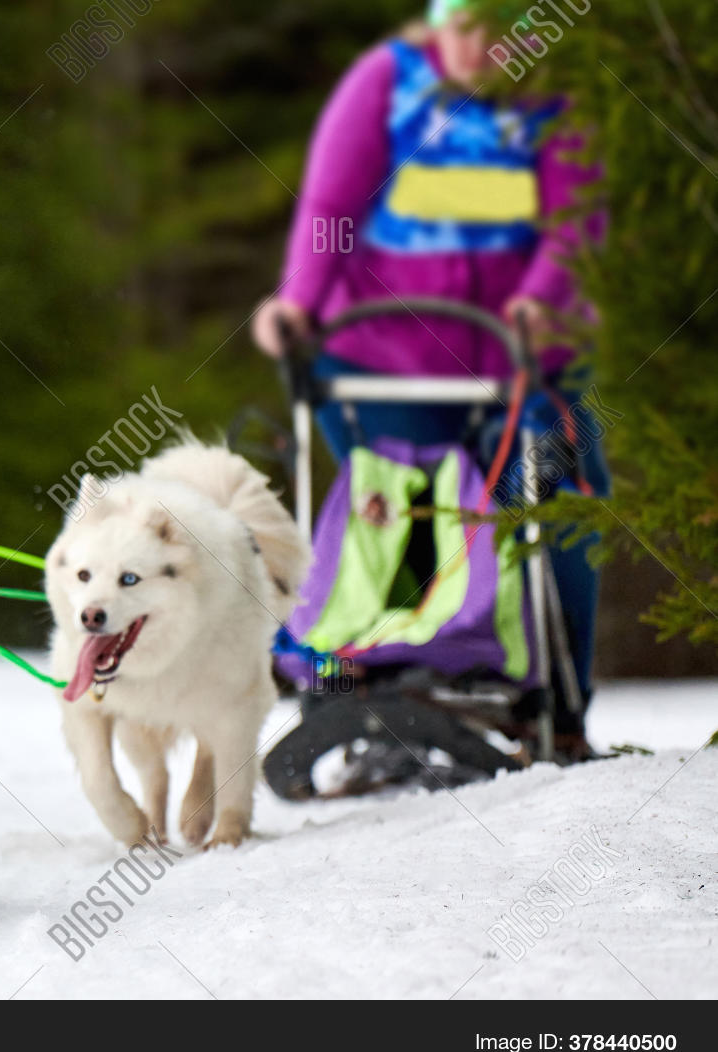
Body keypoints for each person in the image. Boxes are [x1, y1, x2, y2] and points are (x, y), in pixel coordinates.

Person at [252, 0, 607, 748]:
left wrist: (540, 304)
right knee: (403, 521)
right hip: (384, 360)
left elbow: (577, 222)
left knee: (555, 511)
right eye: (466, 29)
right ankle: (374, 695)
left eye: (502, 33)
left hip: (523, 362)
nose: (480, 49)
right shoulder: (386, 83)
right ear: (438, 26)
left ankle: (556, 708)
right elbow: (330, 209)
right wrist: (299, 303)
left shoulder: (560, 101)